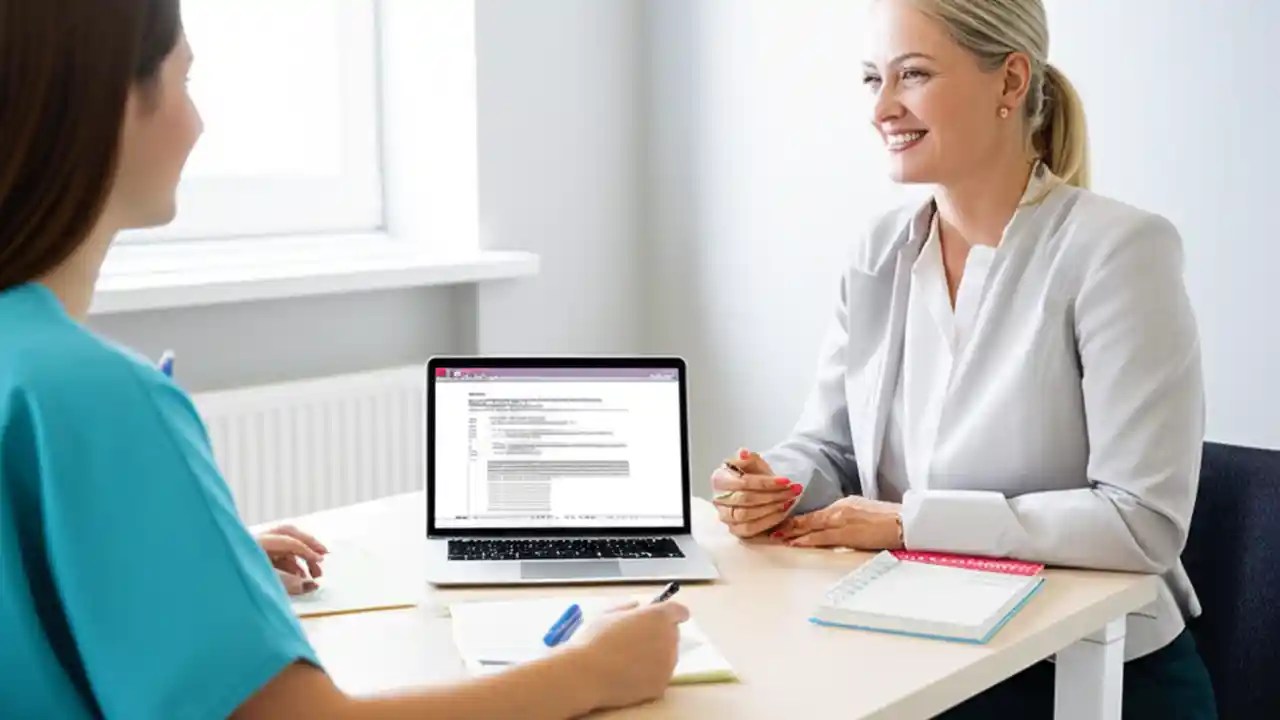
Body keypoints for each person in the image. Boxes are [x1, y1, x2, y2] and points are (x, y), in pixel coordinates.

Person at [0, 1, 688, 717]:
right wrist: (592, 670)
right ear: (112, 98)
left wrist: (196, 564)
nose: (198, 124)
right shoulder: (94, 394)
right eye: (186, 80)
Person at [710, 0, 1217, 716]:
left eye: (913, 75)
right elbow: (829, 447)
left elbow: (1141, 522)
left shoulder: (1118, 252)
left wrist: (908, 523)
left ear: (1010, 82)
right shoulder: (878, 252)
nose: (882, 108)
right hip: (917, 648)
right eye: (873, 78)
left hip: (1087, 672)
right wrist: (773, 484)